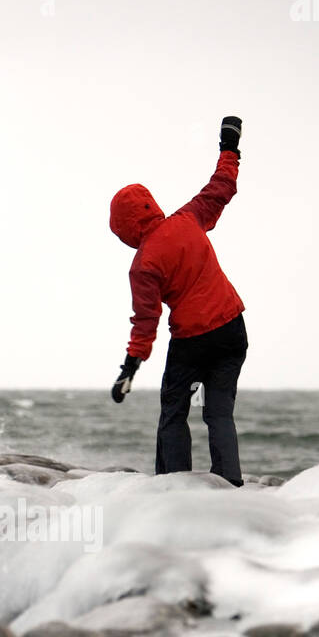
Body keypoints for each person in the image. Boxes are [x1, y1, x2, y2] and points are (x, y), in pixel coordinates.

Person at [108, 116, 247, 484]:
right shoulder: (188, 218)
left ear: (123, 227)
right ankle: (231, 484)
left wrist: (129, 369)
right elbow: (222, 187)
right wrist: (229, 146)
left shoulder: (143, 265)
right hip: (233, 329)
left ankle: (174, 488)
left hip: (193, 341)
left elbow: (146, 321)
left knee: (174, 410)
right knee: (218, 412)